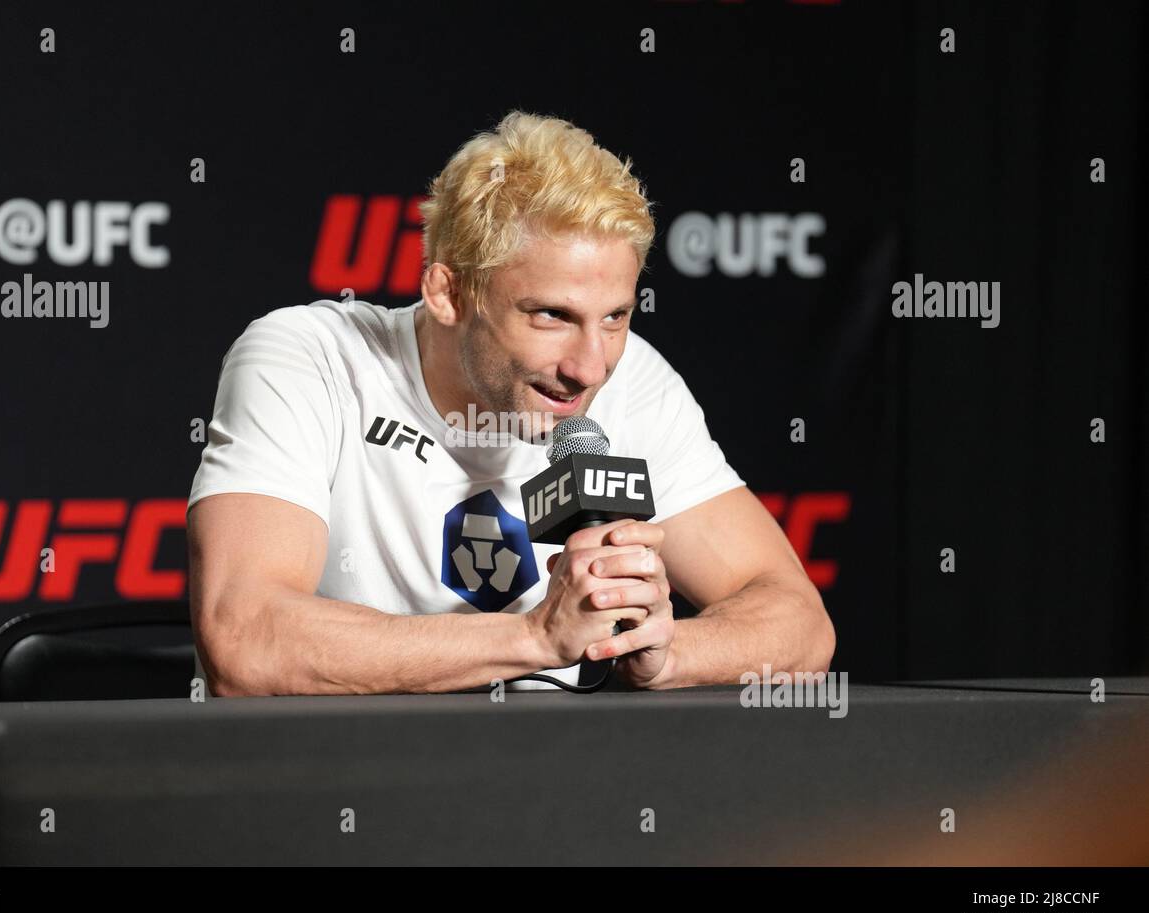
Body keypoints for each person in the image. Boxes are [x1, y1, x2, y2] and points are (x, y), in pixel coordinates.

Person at [185, 110, 834, 696]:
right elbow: (245, 643)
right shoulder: (314, 358)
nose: (589, 368)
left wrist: (664, 652)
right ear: (448, 293)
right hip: (334, 788)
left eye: (614, 317)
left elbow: (801, 624)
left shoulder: (634, 378)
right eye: (551, 315)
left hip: (534, 796)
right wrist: (535, 640)